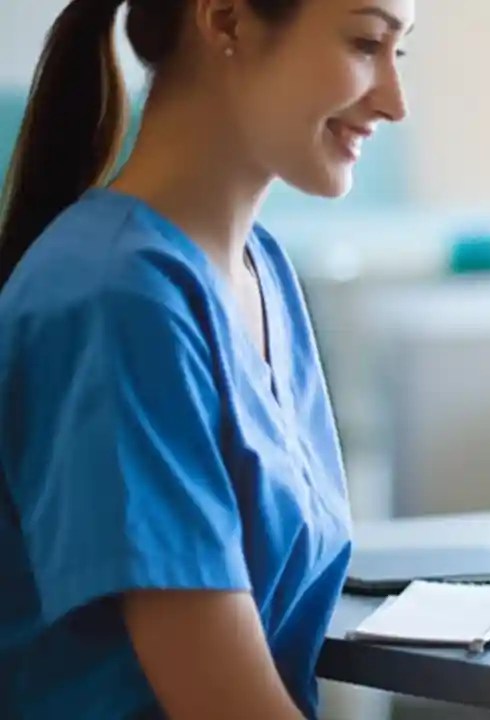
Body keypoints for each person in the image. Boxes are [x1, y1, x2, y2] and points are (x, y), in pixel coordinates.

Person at [0, 1, 411, 717]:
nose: (394, 101)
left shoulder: (262, 272)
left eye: (398, 53)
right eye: (365, 43)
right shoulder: (117, 298)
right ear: (224, 20)